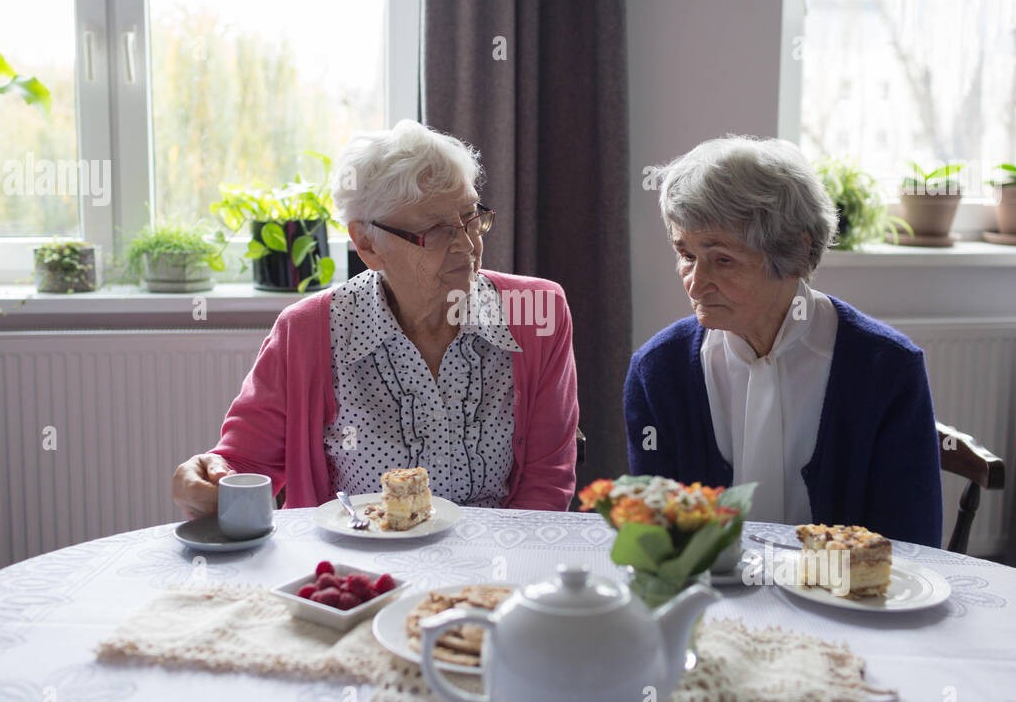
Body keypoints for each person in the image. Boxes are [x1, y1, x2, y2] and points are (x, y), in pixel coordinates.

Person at [173, 120, 579, 519]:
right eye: (437, 231)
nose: (467, 245)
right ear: (367, 244)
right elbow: (243, 464)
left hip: (493, 570)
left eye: (471, 218)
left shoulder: (536, 312)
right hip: (362, 573)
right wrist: (206, 478)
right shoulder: (307, 331)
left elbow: (545, 483)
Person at [623, 135, 942, 546]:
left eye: (722, 259)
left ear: (794, 252)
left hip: (847, 603)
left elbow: (912, 547)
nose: (696, 284)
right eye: (686, 254)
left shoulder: (887, 369)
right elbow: (657, 544)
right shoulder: (658, 372)